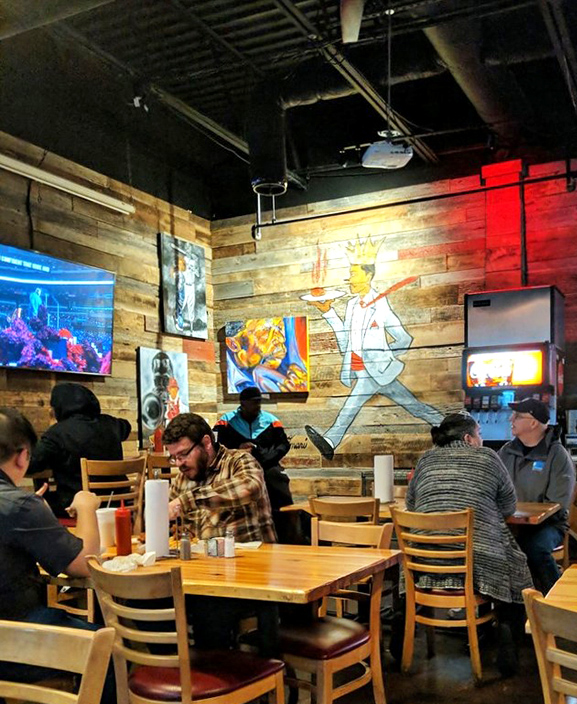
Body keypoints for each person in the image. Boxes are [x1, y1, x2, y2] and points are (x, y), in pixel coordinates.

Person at [0, 407, 115, 704]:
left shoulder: (22, 506)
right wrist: (87, 507)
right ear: (22, 456)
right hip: (12, 640)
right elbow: (85, 563)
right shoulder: (19, 505)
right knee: (108, 650)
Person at [402, 412, 532, 675]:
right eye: (480, 434)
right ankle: (507, 638)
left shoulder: (425, 460)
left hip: (423, 566)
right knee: (514, 565)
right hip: (478, 566)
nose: (481, 439)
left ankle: (400, 633)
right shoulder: (487, 457)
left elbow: (411, 505)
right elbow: (509, 506)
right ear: (468, 438)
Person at [304, 236, 442, 460]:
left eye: (354, 274)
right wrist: (327, 311)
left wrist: (383, 357)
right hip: (362, 371)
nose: (349, 279)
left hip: (377, 371)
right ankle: (447, 426)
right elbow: (346, 339)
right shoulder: (351, 305)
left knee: (353, 405)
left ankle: (330, 440)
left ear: (368, 276)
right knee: (414, 406)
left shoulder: (380, 304)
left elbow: (403, 338)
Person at [163, 412, 278, 653]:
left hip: (252, 577)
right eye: (174, 458)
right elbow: (175, 527)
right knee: (148, 600)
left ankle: (215, 671)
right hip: (203, 576)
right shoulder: (183, 479)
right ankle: (174, 668)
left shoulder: (240, 462)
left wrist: (187, 501)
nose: (179, 464)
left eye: (183, 454)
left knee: (208, 609)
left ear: (206, 442)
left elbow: (251, 487)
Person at [499, 399, 576, 595]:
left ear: (533, 423)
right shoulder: (506, 452)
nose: (511, 419)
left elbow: (557, 504)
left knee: (534, 548)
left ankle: (555, 600)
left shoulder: (557, 455)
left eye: (517, 416)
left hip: (550, 525)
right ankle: (505, 604)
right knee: (484, 545)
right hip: (510, 523)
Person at [28, 383, 131, 517]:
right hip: (118, 504)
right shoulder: (113, 424)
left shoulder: (57, 434)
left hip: (76, 507)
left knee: (37, 503)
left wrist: (55, 425)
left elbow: (31, 464)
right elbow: (126, 426)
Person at [214, 386, 294, 539]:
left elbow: (284, 445)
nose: (257, 406)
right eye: (253, 402)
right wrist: (238, 448)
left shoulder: (271, 421)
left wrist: (265, 457)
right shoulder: (226, 422)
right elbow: (216, 445)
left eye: (259, 402)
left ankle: (286, 535)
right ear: (243, 403)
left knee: (279, 484)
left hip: (267, 465)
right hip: (237, 467)